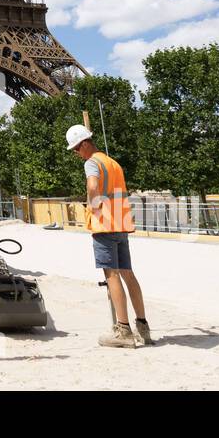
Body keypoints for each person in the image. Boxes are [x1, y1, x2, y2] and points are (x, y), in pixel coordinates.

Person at [65, 124, 153, 348]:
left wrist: (94, 207)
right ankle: (143, 327)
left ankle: (123, 330)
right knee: (128, 275)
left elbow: (93, 186)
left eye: (76, 149)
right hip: (121, 225)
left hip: (104, 226)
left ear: (85, 144)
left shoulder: (92, 163)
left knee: (111, 275)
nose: (77, 154)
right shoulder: (113, 163)